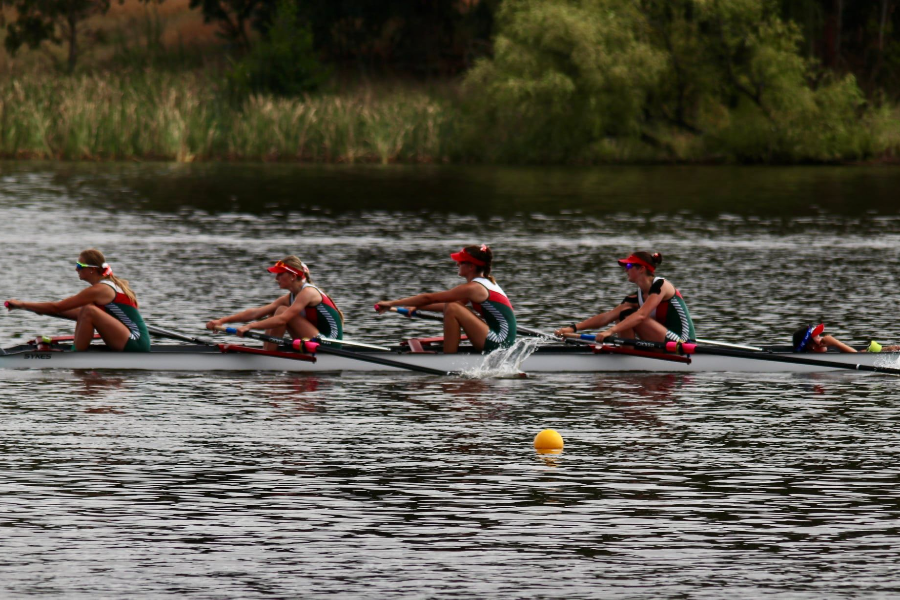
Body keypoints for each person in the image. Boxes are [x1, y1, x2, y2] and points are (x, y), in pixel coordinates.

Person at [374, 245, 516, 354]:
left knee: (453, 308)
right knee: (453, 307)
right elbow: (445, 305)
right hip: (501, 339)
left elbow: (429, 298)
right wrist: (417, 307)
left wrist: (391, 303)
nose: (457, 265)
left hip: (499, 342)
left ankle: (448, 358)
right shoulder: (484, 283)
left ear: (471, 266)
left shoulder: (474, 288)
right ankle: (449, 355)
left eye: (460, 262)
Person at [5, 249, 150, 352]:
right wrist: (28, 308)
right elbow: (68, 312)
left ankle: (76, 356)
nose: (76, 269)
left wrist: (23, 303)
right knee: (86, 311)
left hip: (135, 341)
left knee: (88, 310)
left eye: (80, 266)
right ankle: (78, 355)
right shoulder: (107, 288)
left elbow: (57, 307)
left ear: (92, 269)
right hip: (128, 337)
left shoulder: (101, 290)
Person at [205, 256, 343, 351]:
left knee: (282, 312)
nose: (276, 278)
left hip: (329, 343)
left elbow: (283, 319)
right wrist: (221, 321)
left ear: (293, 276)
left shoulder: (308, 293)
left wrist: (249, 327)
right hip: (312, 340)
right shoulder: (291, 296)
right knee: (275, 310)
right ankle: (268, 351)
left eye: (280, 274)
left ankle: (269, 354)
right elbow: (255, 313)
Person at [555, 251, 695, 344]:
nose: (625, 269)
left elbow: (641, 315)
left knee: (629, 315)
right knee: (622, 314)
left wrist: (610, 331)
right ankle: (627, 354)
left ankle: (628, 356)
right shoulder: (637, 296)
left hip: (682, 342)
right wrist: (572, 328)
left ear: (641, 268)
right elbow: (607, 317)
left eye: (629, 265)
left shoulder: (662, 285)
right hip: (662, 339)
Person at [792, 323, 898, 353]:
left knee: (876, 348)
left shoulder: (826, 352)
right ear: (812, 347)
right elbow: (856, 358)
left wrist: (887, 349)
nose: (823, 338)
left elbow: (859, 354)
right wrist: (837, 343)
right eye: (818, 337)